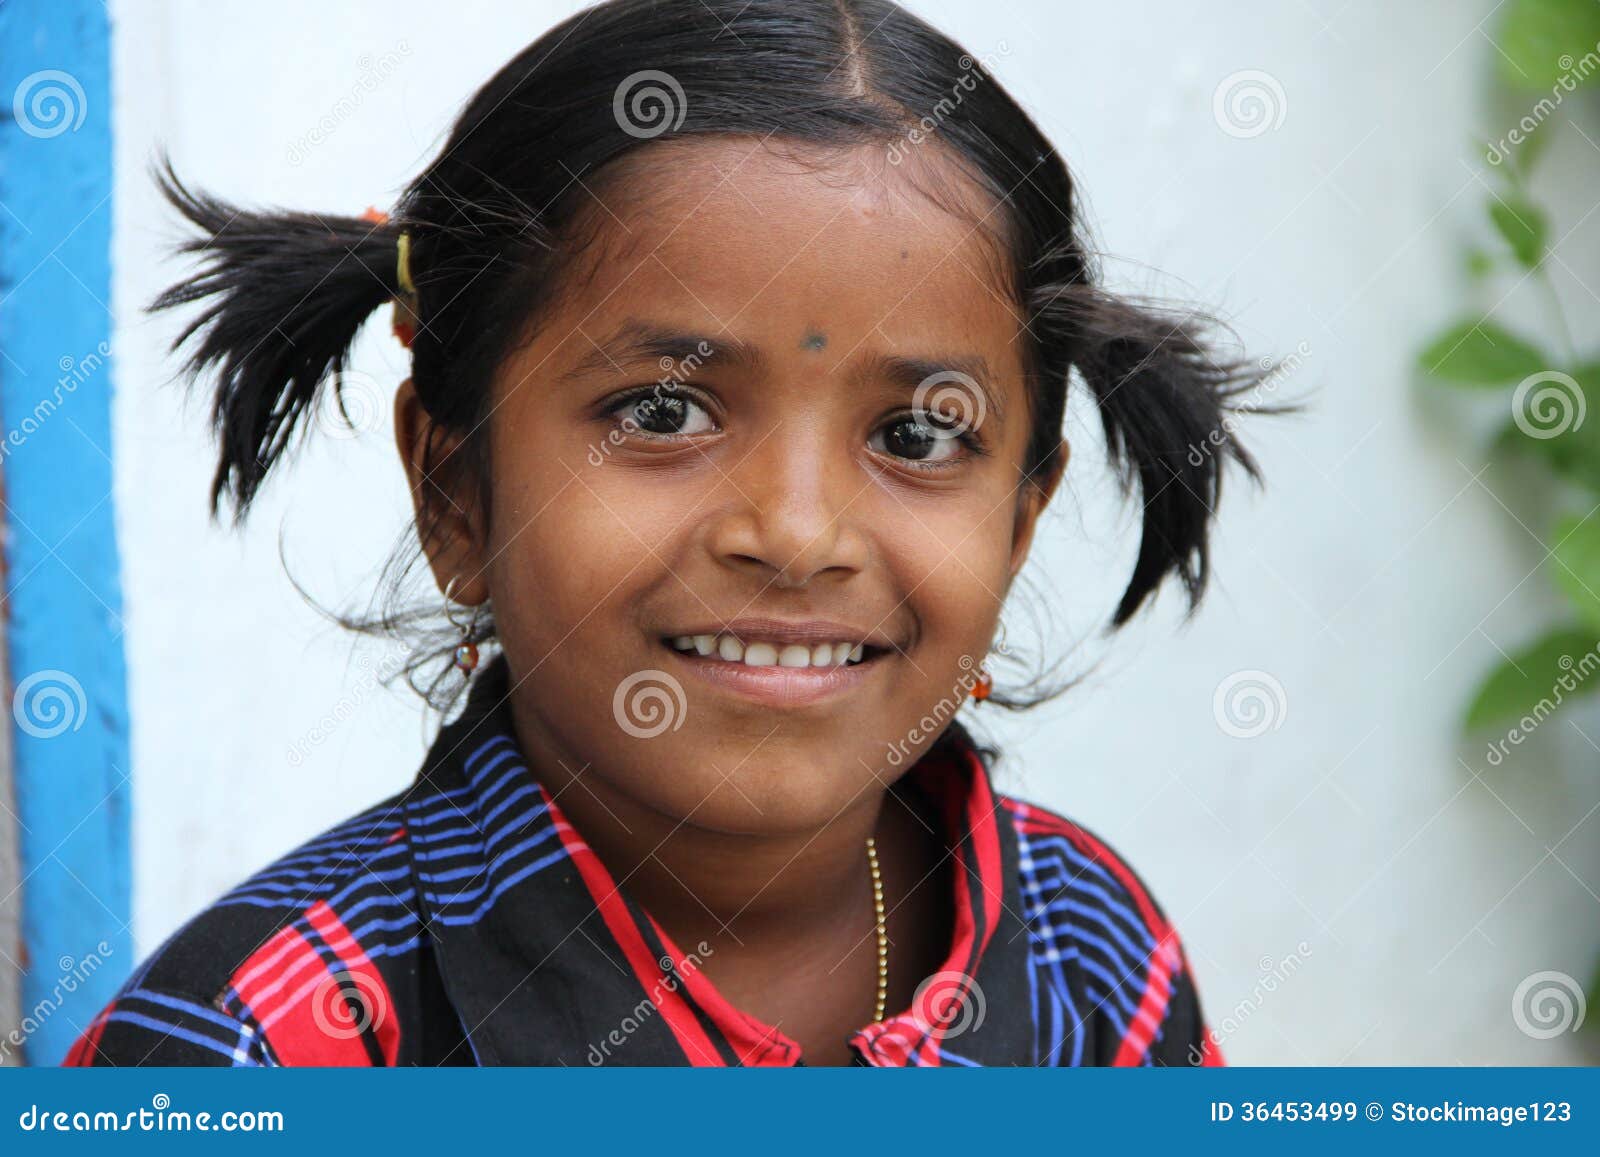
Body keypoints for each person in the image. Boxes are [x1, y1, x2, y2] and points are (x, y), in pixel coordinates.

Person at [67, 0, 1267, 1067]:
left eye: (916, 436)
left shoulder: (1088, 957)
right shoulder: (265, 1041)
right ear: (454, 492)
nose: (797, 535)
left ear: (1020, 519)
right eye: (662, 411)